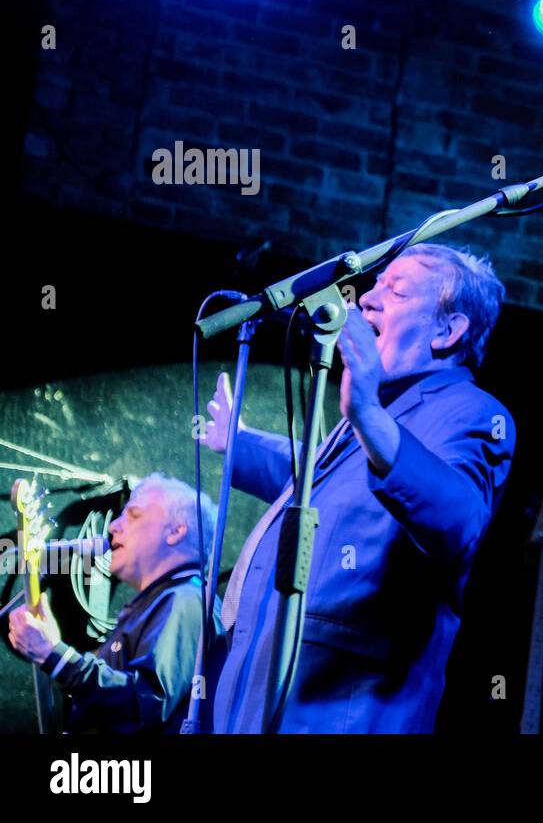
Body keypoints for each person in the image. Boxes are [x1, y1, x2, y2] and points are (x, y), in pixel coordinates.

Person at [206, 244, 514, 733]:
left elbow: (458, 520)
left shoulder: (472, 412)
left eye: (397, 289)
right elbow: (316, 480)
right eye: (374, 284)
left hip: (336, 718)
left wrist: (367, 412)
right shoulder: (374, 416)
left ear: (447, 331)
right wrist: (238, 444)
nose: (366, 300)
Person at [7, 473, 223, 733]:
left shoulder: (187, 600)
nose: (113, 526)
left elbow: (146, 703)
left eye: (133, 515)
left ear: (176, 531)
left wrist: (55, 654)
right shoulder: (160, 603)